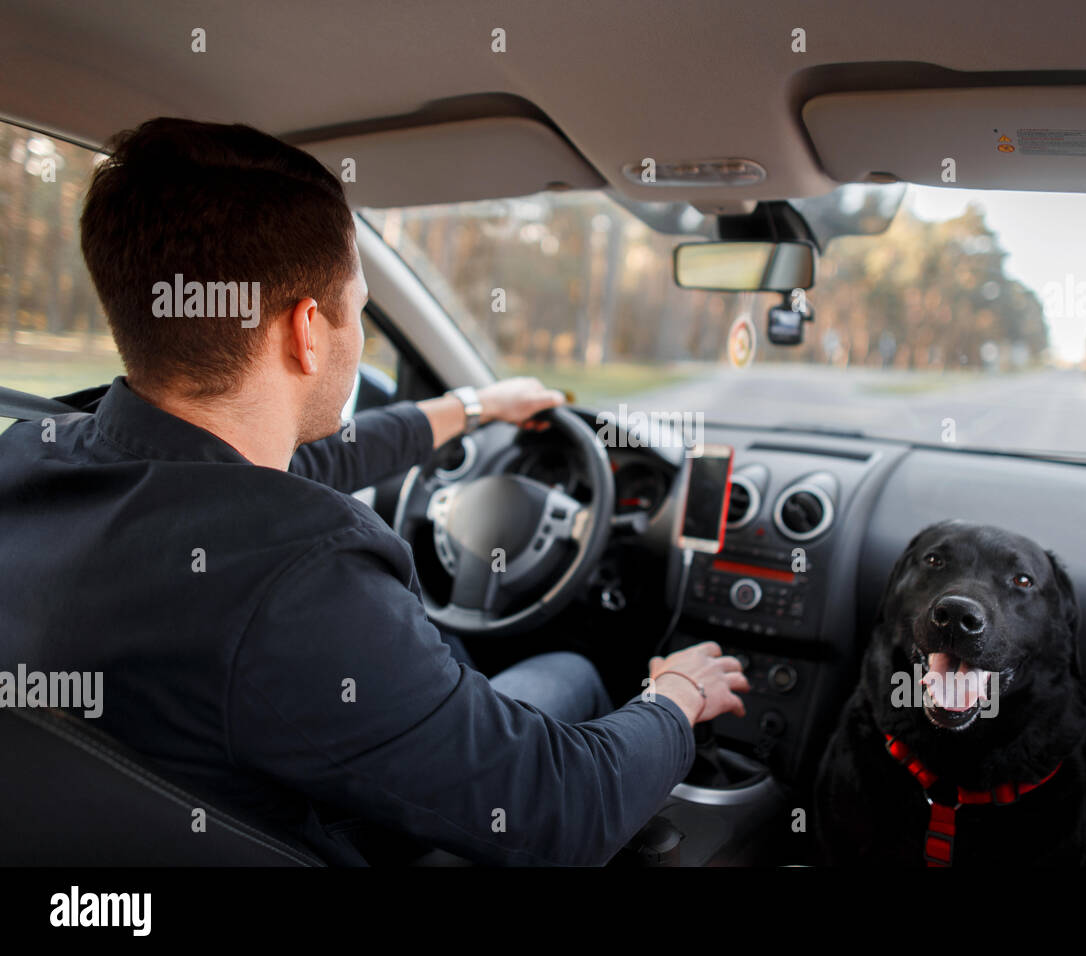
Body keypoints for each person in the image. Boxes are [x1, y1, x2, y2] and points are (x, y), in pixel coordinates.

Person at [0, 117, 749, 866]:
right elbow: (560, 807)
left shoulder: (32, 461)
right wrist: (675, 697)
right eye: (356, 310)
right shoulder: (301, 583)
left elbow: (295, 474)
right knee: (576, 675)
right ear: (308, 332)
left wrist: (474, 409)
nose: (357, 332)